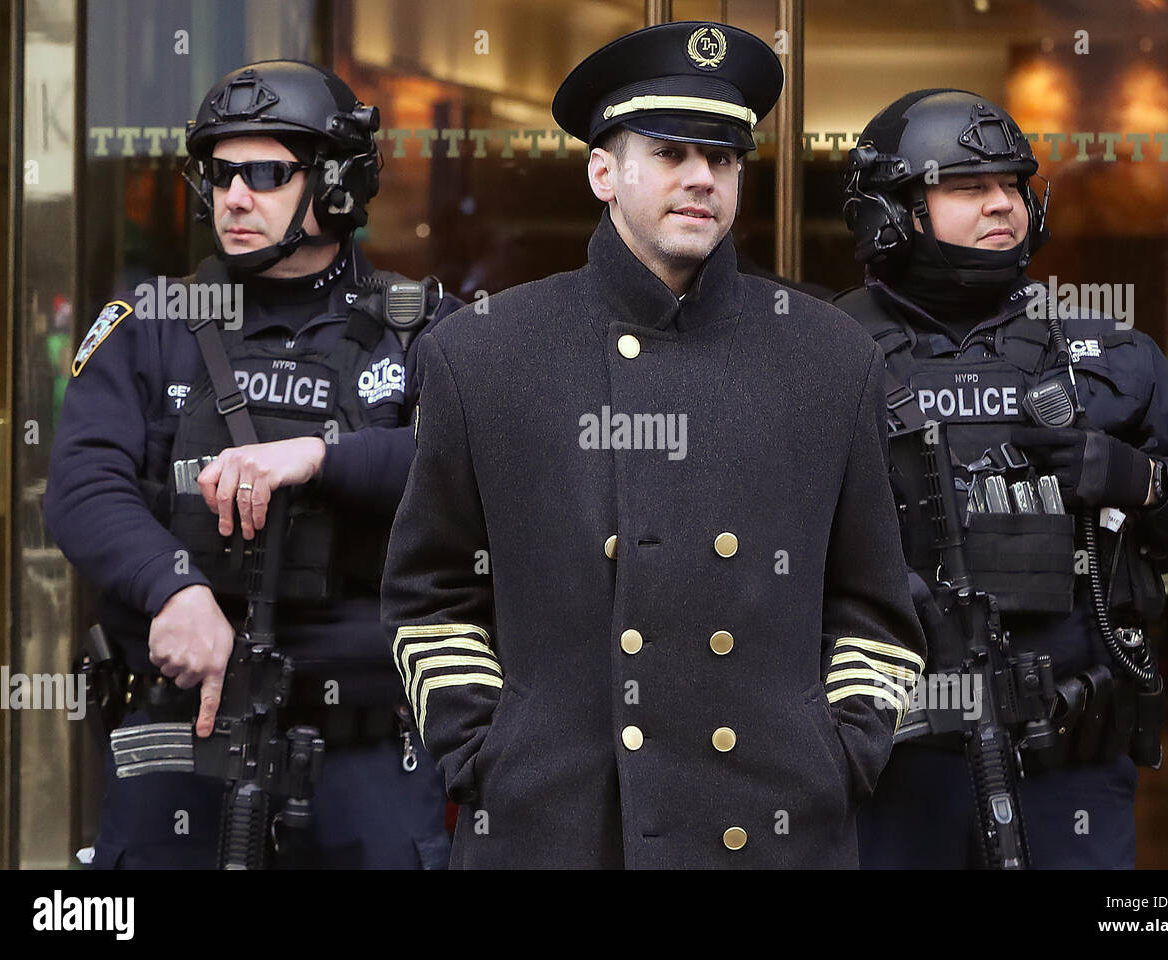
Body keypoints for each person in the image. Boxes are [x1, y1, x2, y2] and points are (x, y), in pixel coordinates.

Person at [381, 21, 925, 870]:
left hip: (774, 827)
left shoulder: (830, 357)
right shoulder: (485, 353)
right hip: (554, 826)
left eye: (725, 158)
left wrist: (838, 753)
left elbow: (876, 606)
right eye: (670, 152)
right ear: (604, 171)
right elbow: (432, 589)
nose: (702, 178)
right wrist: (488, 751)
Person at [833, 88, 1168, 868]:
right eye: (969, 187)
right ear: (892, 213)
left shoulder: (1106, 360)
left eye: (1013, 185)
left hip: (1068, 766)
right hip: (890, 773)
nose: (1004, 204)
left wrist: (1143, 481)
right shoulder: (823, 362)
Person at [45, 60, 459, 868]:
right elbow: (82, 484)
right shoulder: (152, 322)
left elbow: (465, 469)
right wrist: (174, 586)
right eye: (221, 174)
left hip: (367, 754)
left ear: (337, 182)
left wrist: (322, 457)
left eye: (266, 174)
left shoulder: (423, 331)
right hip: (183, 741)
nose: (233, 198)